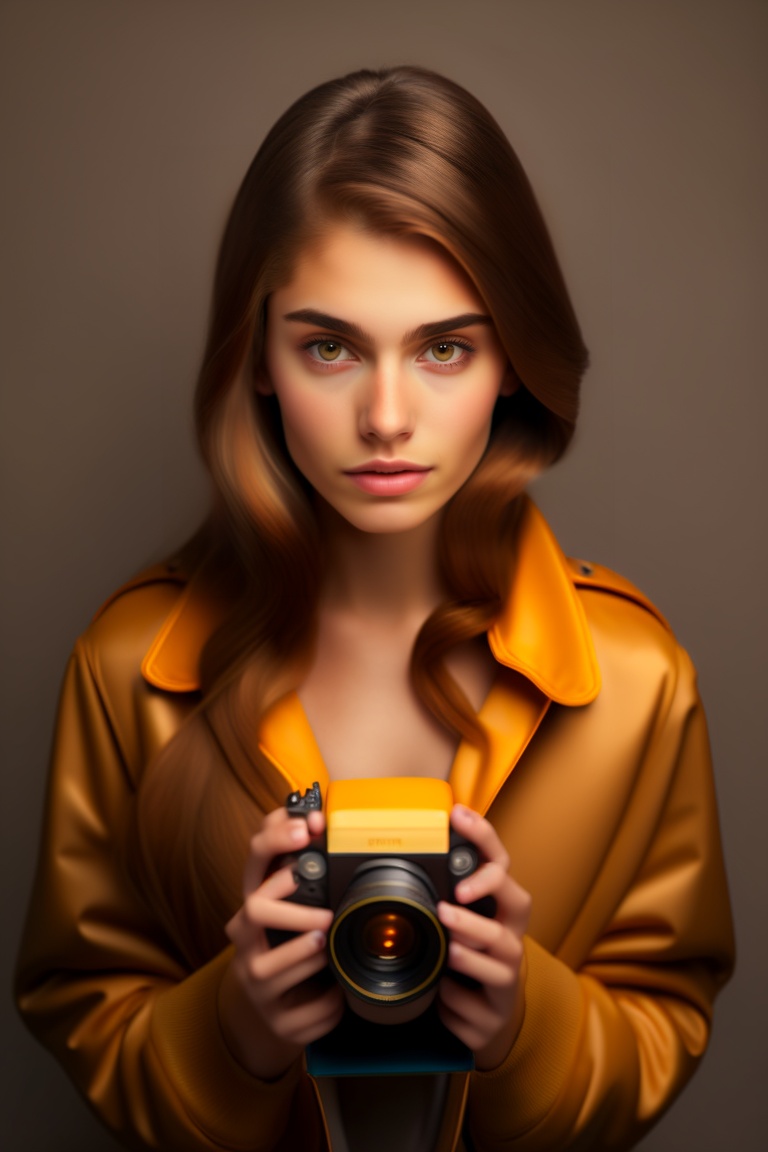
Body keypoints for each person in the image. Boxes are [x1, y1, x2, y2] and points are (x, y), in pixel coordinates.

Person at [15, 66, 734, 1152]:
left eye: (445, 347)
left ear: (512, 365)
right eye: (330, 347)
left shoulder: (635, 680)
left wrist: (523, 1025)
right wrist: (234, 1028)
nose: (387, 417)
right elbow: (83, 1005)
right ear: (255, 356)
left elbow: (666, 1017)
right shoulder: (129, 668)